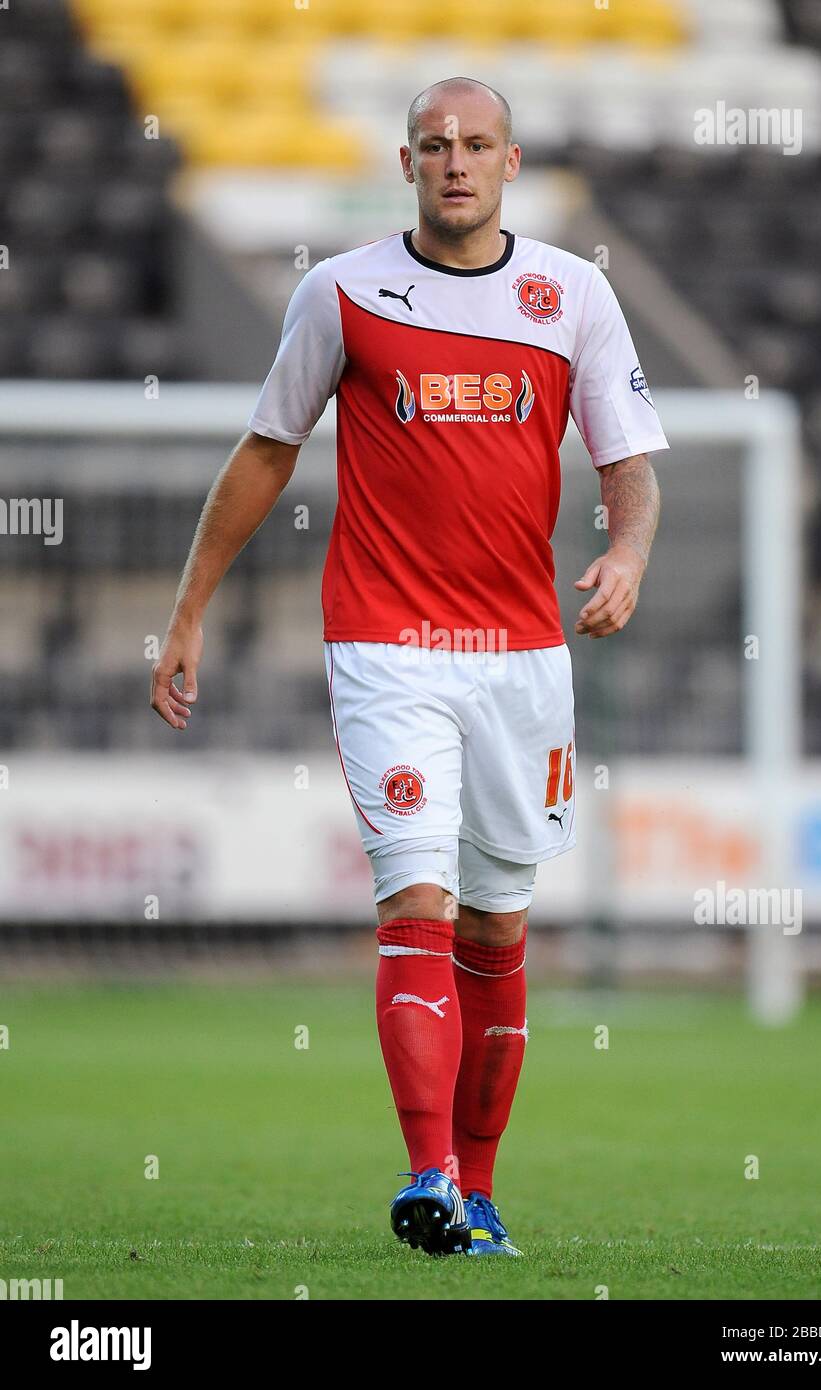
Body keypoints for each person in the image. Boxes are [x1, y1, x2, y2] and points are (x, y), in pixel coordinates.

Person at [151, 76, 667, 1258]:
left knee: (496, 930)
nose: (454, 162)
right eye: (434, 144)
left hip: (521, 656)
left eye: (475, 144)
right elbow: (265, 450)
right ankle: (428, 1173)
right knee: (417, 902)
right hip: (388, 646)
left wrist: (626, 552)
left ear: (510, 161)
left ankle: (479, 1193)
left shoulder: (573, 294)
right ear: (404, 162)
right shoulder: (339, 293)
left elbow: (628, 457)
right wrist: (185, 614)